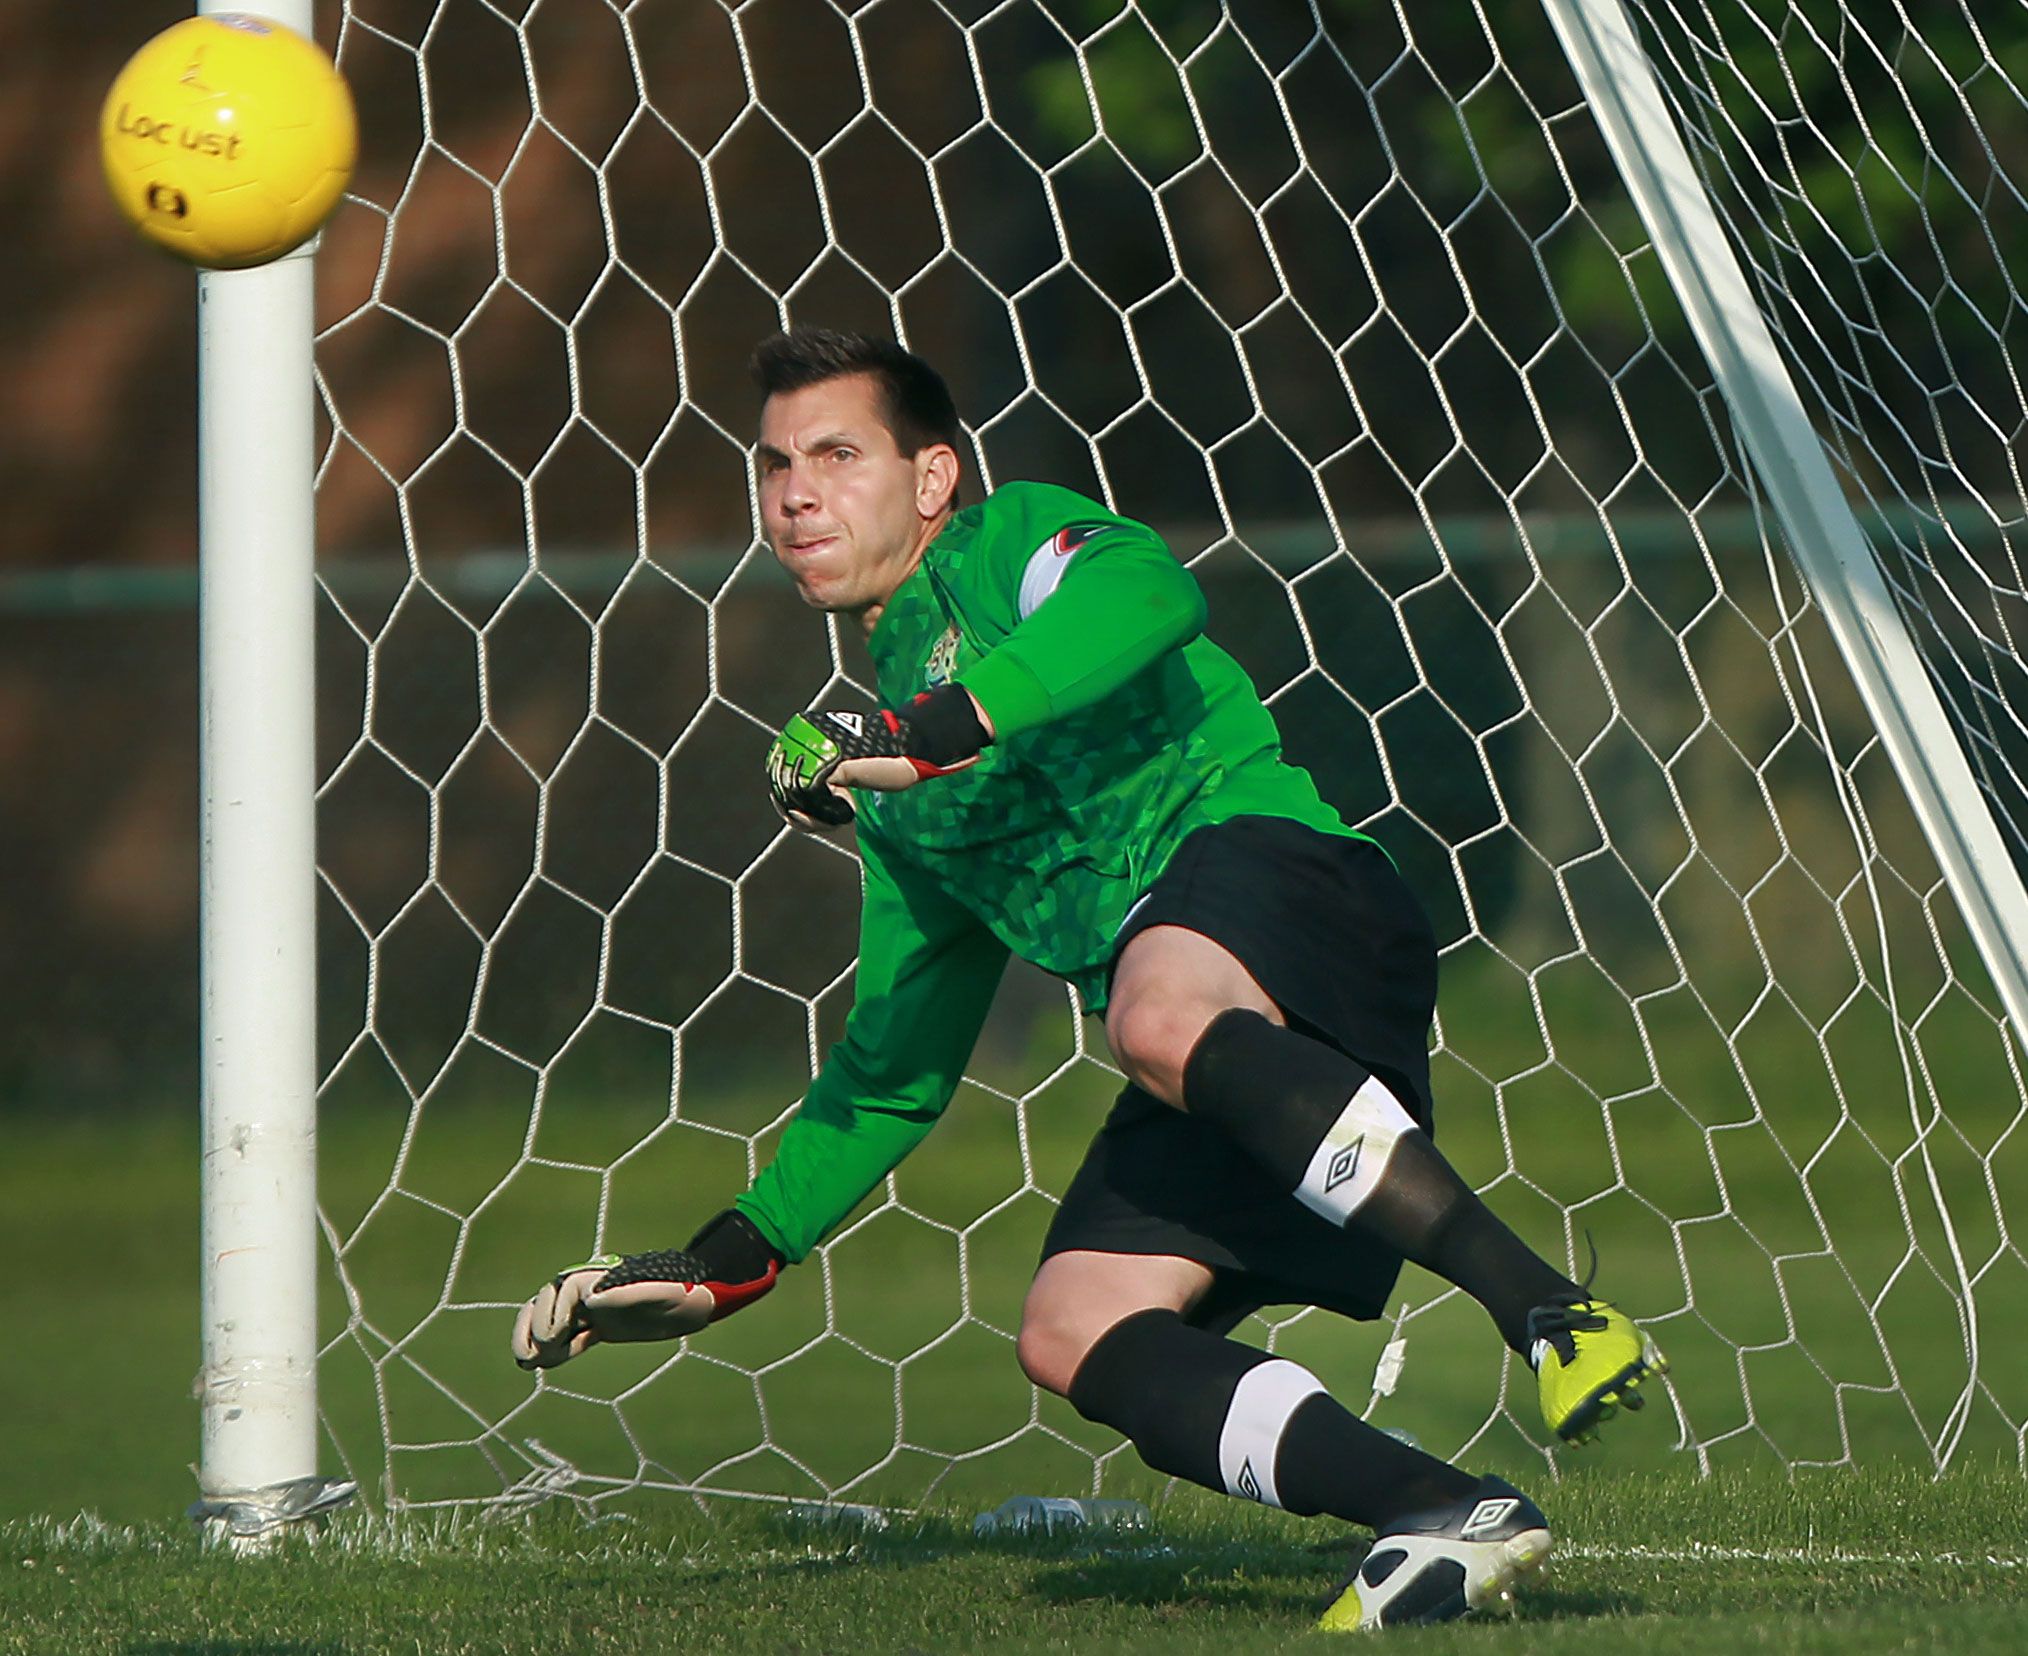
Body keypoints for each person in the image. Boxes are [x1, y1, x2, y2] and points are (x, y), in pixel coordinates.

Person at [511, 327, 1667, 1631]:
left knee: (1154, 1011)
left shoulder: (1014, 549)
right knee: (1072, 1326)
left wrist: (941, 727)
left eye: (838, 454)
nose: (795, 493)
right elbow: (892, 1078)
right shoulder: (892, 794)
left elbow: (1153, 594)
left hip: (1294, 888)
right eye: (775, 463)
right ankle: (1448, 1513)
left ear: (933, 479)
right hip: (1220, 1046)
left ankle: (1547, 1309)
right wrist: (728, 1262)